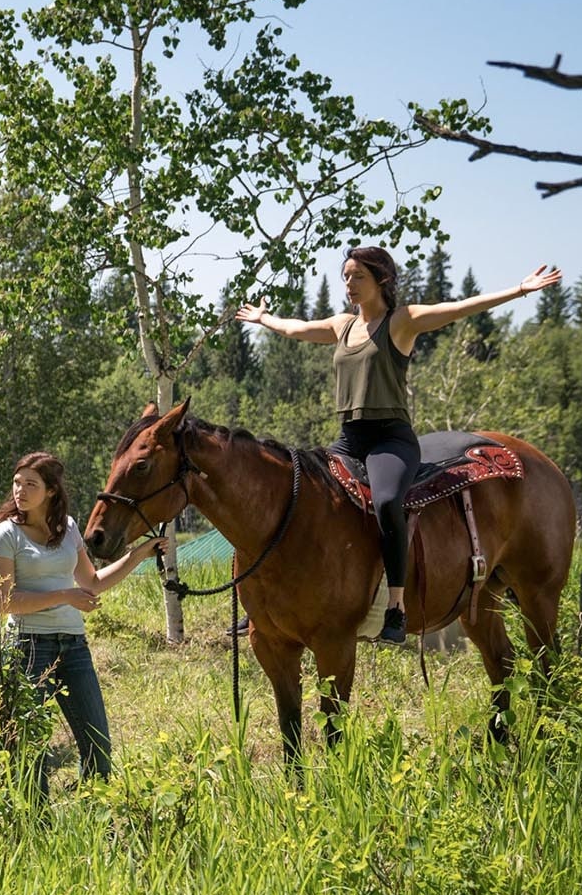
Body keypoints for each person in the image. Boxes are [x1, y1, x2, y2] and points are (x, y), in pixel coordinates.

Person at [236, 250, 562, 644]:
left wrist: (520, 290)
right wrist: (264, 319)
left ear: (382, 280)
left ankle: (395, 604)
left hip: (390, 440)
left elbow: (459, 307)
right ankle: (268, 601)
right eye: (346, 276)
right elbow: (296, 329)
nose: (349, 284)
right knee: (302, 495)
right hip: (349, 440)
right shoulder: (342, 325)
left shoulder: (402, 322)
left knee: (388, 501)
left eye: (358, 276)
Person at [0, 452, 165, 786]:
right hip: (27, 648)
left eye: (30, 484)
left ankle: (91, 810)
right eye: (17, 482)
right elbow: (4, 603)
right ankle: (35, 816)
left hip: (73, 647)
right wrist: (65, 596)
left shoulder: (67, 527)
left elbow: (92, 582)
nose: (20, 490)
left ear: (51, 490)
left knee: (98, 746)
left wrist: (138, 554)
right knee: (30, 751)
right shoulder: (5, 534)